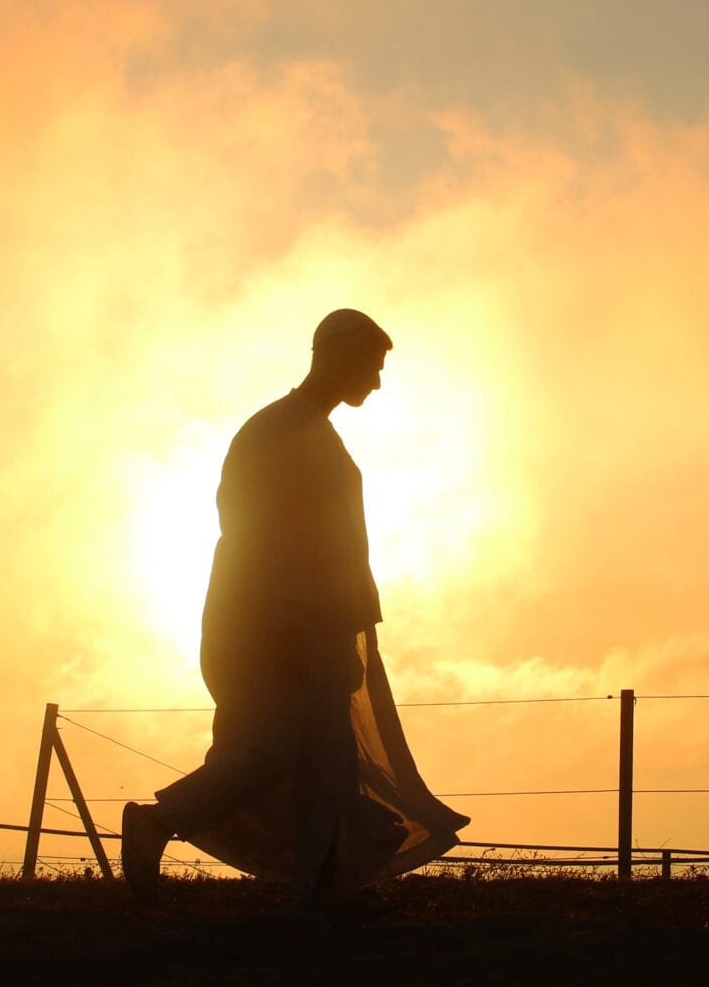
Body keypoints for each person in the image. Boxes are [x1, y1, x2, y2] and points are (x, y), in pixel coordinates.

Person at [122, 309, 468, 898]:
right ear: (336, 355)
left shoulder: (305, 431)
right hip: (284, 623)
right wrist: (287, 624)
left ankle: (321, 893)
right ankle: (159, 821)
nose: (377, 382)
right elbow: (258, 536)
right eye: (371, 366)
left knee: (327, 761)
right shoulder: (279, 433)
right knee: (276, 748)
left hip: (316, 621)